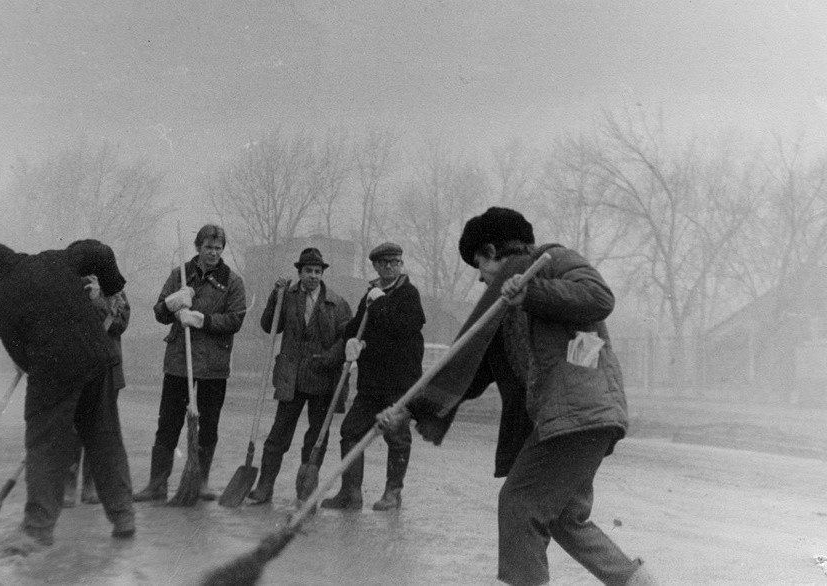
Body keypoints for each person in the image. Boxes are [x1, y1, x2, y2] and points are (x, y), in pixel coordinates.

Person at [381, 207, 657, 586]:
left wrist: (531, 292)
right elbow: (470, 369)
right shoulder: (505, 303)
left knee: (519, 504)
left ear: (493, 250)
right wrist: (409, 408)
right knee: (565, 519)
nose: (480, 278)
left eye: (480, 264)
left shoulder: (554, 260)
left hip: (580, 412)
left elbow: (598, 297)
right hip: (568, 419)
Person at [0, 239, 135, 546]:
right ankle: (123, 516)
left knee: (44, 446)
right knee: (104, 437)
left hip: (53, 372)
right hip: (98, 358)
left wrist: (38, 363)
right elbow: (100, 251)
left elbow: (22, 359)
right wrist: (112, 288)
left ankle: (38, 526)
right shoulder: (56, 259)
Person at [133, 224, 246, 504]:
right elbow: (159, 313)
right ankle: (156, 484)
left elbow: (236, 319)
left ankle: (201, 482)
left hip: (213, 364)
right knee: (168, 422)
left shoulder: (232, 281)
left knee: (208, 425)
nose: (213, 253)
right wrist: (173, 303)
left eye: (218, 248)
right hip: (179, 361)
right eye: (208, 247)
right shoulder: (180, 275)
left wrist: (202, 320)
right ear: (198, 247)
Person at [321, 241, 425, 512]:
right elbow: (358, 326)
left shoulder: (408, 295)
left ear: (401, 264)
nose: (389, 267)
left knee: (396, 435)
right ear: (376, 266)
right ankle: (351, 493)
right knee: (351, 431)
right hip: (371, 382)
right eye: (384, 263)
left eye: (395, 262)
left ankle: (393, 493)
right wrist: (352, 341)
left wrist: (379, 303)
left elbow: (401, 329)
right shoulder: (371, 294)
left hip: (399, 383)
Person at [247, 247, 353, 504]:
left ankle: (305, 491)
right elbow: (268, 325)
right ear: (300, 272)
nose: (313, 276)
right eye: (308, 271)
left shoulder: (337, 303)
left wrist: (330, 358)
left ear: (322, 274)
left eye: (317, 271)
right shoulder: (287, 297)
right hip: (291, 377)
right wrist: (275, 297)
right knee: (278, 435)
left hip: (323, 378)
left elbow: (347, 337)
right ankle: (264, 487)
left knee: (316, 437)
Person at [63, 239, 132, 507]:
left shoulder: (115, 292)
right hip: (76, 370)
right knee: (71, 430)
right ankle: (68, 486)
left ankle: (91, 487)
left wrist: (98, 300)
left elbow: (121, 323)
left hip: (106, 371)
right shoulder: (68, 287)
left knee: (99, 431)